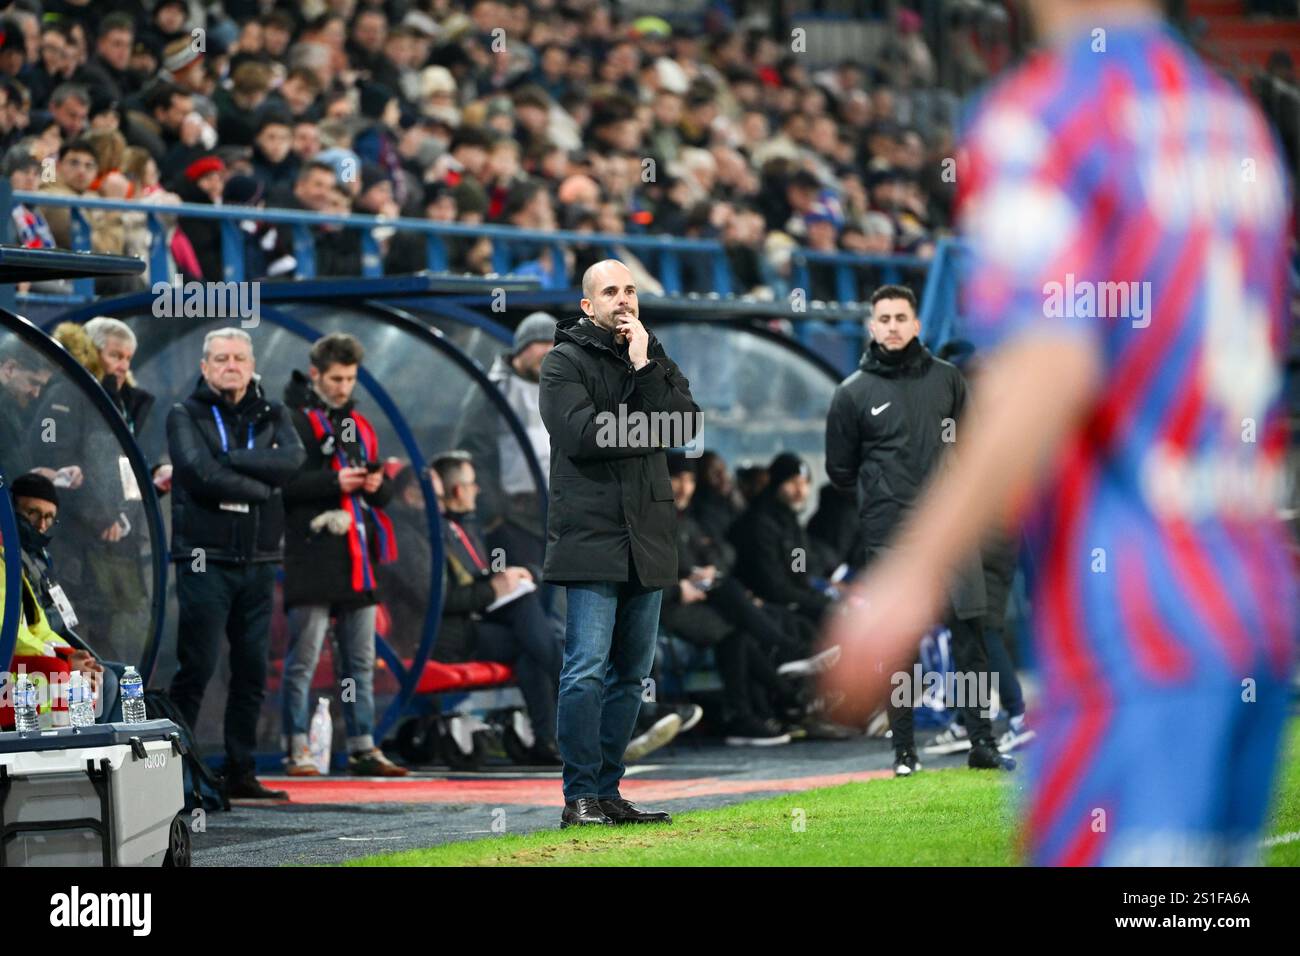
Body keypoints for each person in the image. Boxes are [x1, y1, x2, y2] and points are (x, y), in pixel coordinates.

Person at [824, 0, 1296, 865]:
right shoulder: (1234, 123)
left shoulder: (1048, 115)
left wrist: (908, 577)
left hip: (1142, 601)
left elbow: (1050, 361)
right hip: (1252, 580)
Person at [824, 284, 1011, 776]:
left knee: (970, 638)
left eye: (900, 317)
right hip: (891, 538)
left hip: (952, 533)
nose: (891, 326)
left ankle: (982, 743)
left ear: (916, 324)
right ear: (871, 326)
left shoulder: (949, 381)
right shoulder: (852, 393)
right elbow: (839, 471)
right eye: (883, 318)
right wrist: (881, 497)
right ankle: (904, 752)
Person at [539, 258, 700, 828]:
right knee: (584, 668)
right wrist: (649, 422)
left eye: (630, 290)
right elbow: (584, 436)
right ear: (588, 306)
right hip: (591, 536)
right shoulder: (562, 362)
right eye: (611, 291)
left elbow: (687, 428)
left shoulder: (651, 355)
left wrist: (643, 365)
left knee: (631, 674)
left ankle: (607, 792)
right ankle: (578, 795)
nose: (624, 299)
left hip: (648, 537)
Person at [167, 328, 306, 800]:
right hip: (206, 560)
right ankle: (178, 773)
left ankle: (241, 769)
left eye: (239, 357)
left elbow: (293, 459)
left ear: (252, 365)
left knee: (250, 671)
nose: (231, 365)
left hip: (260, 559)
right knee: (198, 666)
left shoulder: (275, 411)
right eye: (221, 358)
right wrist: (263, 485)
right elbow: (198, 474)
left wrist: (231, 458)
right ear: (205, 366)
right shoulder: (185, 412)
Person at [280, 333, 406, 777]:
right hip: (313, 556)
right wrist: (337, 483)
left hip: (357, 558)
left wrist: (375, 486)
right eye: (335, 378)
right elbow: (286, 486)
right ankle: (296, 747)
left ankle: (363, 747)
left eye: (349, 378)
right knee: (305, 659)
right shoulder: (292, 420)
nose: (342, 386)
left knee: (358, 663)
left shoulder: (360, 424)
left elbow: (384, 493)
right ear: (315, 374)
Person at [432, 452, 563, 766]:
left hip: (478, 622)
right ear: (457, 491)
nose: (477, 490)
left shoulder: (464, 529)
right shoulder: (435, 534)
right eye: (472, 484)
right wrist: (494, 588)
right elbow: (443, 599)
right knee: (530, 631)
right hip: (454, 633)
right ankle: (574, 687)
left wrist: (509, 576)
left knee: (528, 632)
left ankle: (546, 740)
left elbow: (476, 579)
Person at [10, 471, 123, 722]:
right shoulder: (7, 558)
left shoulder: (37, 558)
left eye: (48, 517)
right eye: (32, 513)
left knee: (118, 676)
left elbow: (38, 626)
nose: (41, 525)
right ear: (10, 509)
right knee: (104, 680)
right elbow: (9, 633)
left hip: (40, 653)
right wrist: (63, 658)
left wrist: (70, 653)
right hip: (17, 666)